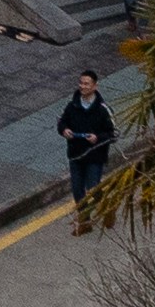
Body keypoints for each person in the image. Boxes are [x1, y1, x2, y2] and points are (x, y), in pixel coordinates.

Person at [60, 72, 118, 226]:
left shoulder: (103, 109)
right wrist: (64, 130)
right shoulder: (72, 105)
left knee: (93, 187)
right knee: (77, 190)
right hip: (75, 155)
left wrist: (97, 138)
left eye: (86, 84)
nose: (83, 86)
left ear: (95, 86)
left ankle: (107, 206)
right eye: (81, 83)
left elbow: (115, 134)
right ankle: (84, 218)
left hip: (95, 156)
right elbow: (62, 122)